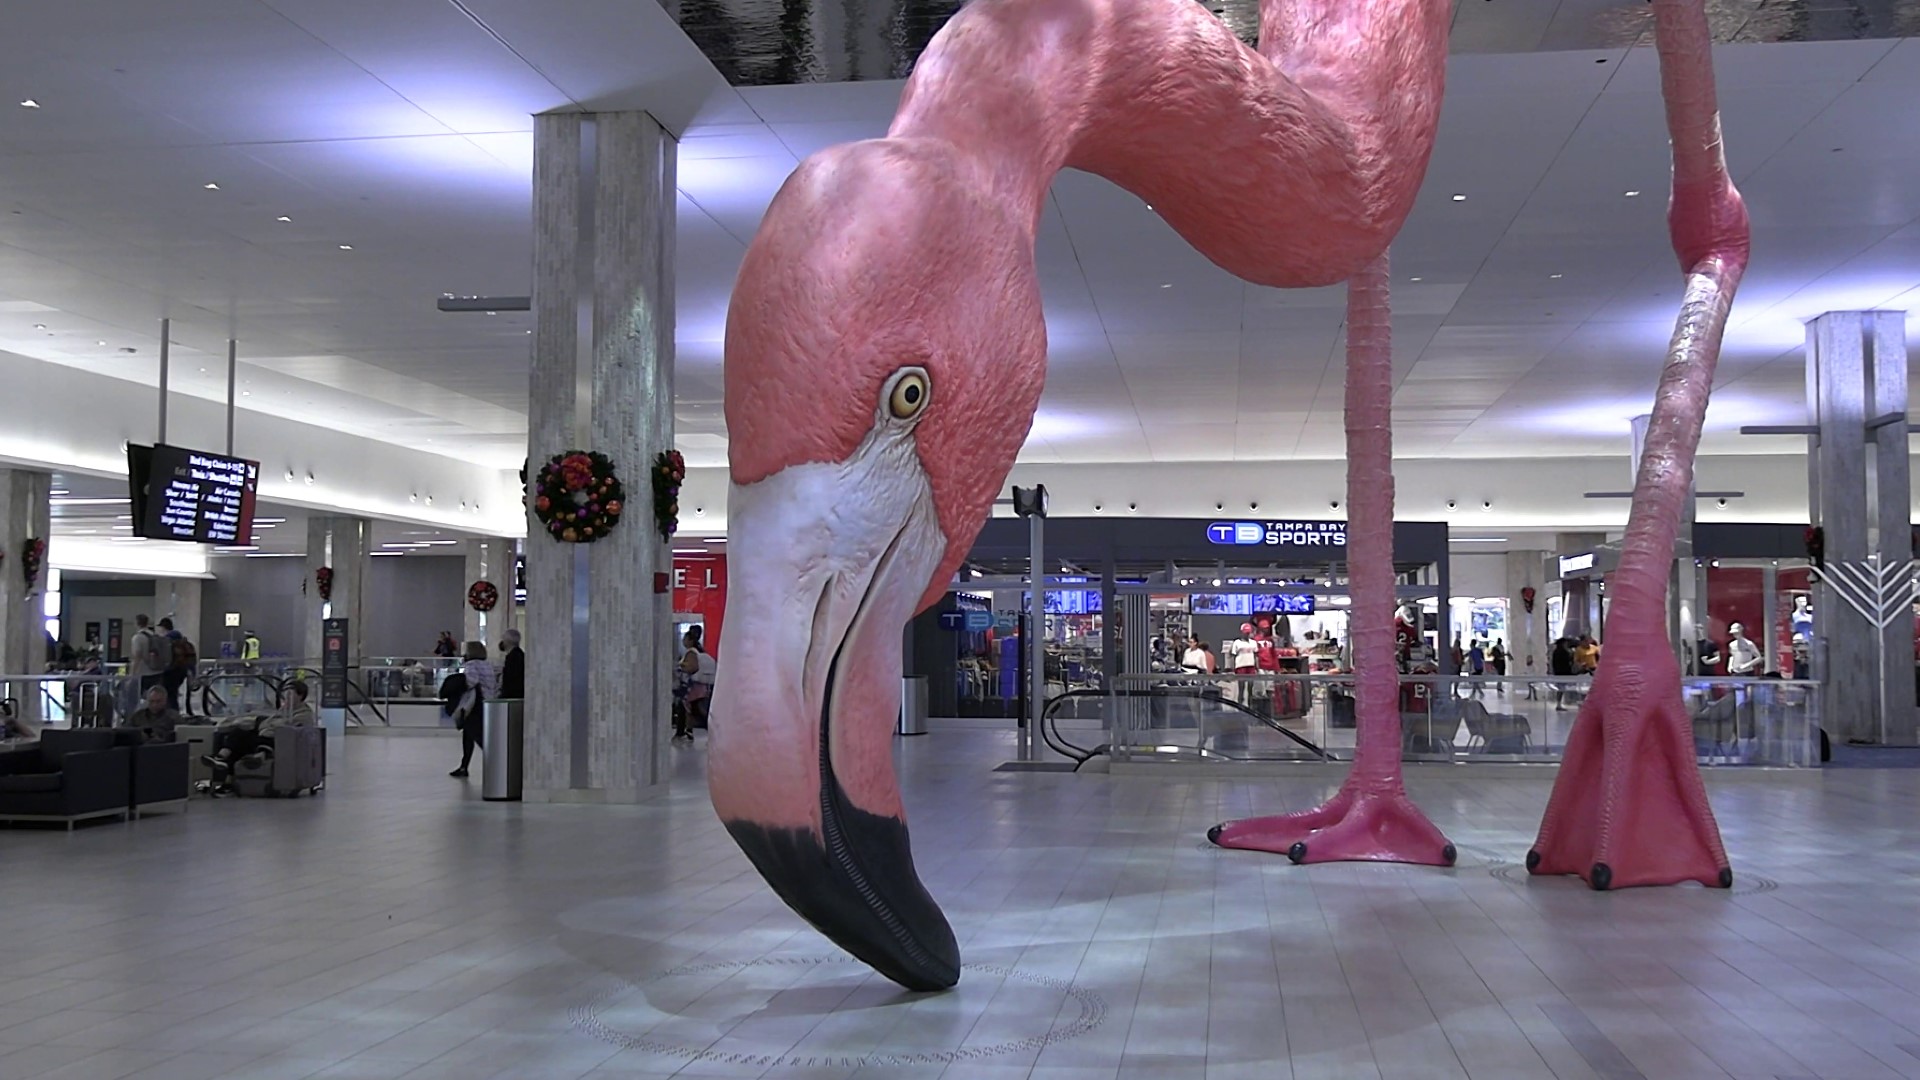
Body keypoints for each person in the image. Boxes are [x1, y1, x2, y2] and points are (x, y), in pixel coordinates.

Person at [202, 681, 315, 792]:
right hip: (265, 734)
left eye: (290, 694)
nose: (286, 697)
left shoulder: (304, 714)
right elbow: (268, 723)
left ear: (300, 696)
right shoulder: (283, 711)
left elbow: (287, 728)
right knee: (238, 734)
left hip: (278, 741)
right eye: (285, 694)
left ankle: (237, 762)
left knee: (245, 742)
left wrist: (269, 726)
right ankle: (221, 759)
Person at [448, 640, 497, 778]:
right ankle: (464, 766)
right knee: (469, 735)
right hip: (487, 702)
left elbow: (471, 681)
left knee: (476, 734)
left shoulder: (471, 665)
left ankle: (495, 761)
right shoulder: (488, 665)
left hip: (474, 705)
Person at [675, 627, 715, 742]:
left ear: (690, 640)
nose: (683, 641)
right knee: (693, 709)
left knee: (690, 708)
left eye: (685, 639)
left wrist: (681, 666)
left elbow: (692, 667)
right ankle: (686, 730)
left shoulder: (691, 652)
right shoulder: (698, 651)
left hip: (692, 687)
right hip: (698, 687)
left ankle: (684, 731)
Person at [158, 617, 196, 712]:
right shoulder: (182, 641)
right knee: (173, 694)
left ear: (163, 627)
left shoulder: (166, 641)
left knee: (168, 695)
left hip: (170, 671)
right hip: (182, 671)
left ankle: (171, 714)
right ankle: (175, 713)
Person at [127, 614, 167, 696]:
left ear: (136, 623)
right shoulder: (155, 635)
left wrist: (131, 676)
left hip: (144, 673)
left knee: (138, 696)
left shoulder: (137, 637)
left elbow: (137, 657)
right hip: (158, 671)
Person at [1549, 637, 1577, 711]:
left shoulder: (1556, 652)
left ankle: (1560, 703)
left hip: (1558, 672)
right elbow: (1567, 662)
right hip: (1563, 673)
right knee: (1561, 689)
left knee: (1561, 689)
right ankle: (1560, 704)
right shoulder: (1563, 652)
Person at [498, 629, 525, 699]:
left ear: (507, 641)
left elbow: (511, 680)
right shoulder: (519, 654)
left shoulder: (513, 658)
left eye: (503, 639)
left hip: (513, 697)